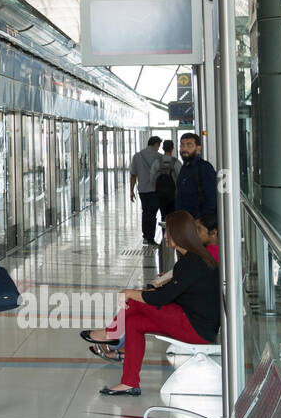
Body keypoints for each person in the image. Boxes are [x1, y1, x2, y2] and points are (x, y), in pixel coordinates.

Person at [95, 211, 221, 396]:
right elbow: (174, 294)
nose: (165, 236)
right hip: (195, 321)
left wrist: (132, 293)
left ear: (180, 234)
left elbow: (162, 299)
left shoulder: (192, 262)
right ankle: (129, 382)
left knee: (136, 301)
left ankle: (109, 333)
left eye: (169, 232)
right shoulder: (191, 259)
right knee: (134, 323)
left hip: (197, 328)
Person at [129, 136, 163, 245]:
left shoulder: (137, 156)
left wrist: (131, 190)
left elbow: (133, 175)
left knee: (145, 212)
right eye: (159, 146)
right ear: (156, 144)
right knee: (152, 214)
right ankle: (150, 238)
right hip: (154, 190)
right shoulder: (159, 157)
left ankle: (145, 236)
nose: (159, 148)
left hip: (142, 190)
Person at [175, 132, 217, 220]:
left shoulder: (204, 167)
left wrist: (201, 221)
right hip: (184, 221)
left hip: (198, 223)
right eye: (182, 145)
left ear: (198, 148)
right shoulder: (184, 168)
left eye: (189, 145)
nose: (184, 149)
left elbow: (212, 197)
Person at [153, 140, 181, 239]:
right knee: (173, 216)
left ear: (163, 148)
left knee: (163, 215)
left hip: (160, 195)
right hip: (173, 195)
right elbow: (181, 179)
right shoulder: (176, 162)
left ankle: (165, 236)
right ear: (172, 148)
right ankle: (173, 236)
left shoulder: (157, 162)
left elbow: (152, 178)